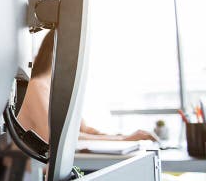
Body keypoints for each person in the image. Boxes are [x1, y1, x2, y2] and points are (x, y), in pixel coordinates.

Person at [17, 30, 157, 143]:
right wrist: (123, 139)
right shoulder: (37, 86)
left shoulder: (57, 91)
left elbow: (83, 129)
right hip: (35, 172)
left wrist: (120, 137)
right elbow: (56, 139)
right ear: (56, 54)